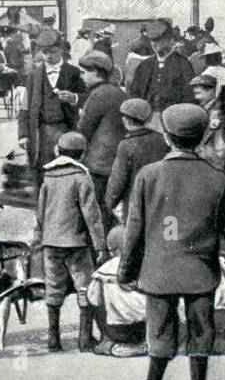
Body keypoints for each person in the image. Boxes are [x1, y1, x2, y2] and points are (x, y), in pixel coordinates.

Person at [119, 104, 225, 380]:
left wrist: (127, 272)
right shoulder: (217, 178)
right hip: (200, 272)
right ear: (202, 137)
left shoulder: (148, 176)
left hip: (159, 272)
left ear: (167, 136)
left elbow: (133, 231)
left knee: (159, 336)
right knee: (201, 335)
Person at [36, 131, 108, 353]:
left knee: (54, 288)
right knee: (84, 288)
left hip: (51, 243)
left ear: (58, 151)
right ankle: (85, 340)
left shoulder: (48, 177)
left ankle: (53, 340)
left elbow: (40, 213)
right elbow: (92, 216)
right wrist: (100, 246)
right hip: (76, 243)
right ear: (82, 155)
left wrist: (39, 238)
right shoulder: (82, 178)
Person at [18, 29, 87, 193]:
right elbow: (24, 106)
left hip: (65, 130)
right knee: (41, 173)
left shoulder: (73, 72)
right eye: (45, 52)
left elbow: (89, 97)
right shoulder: (34, 75)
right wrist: (23, 134)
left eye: (53, 52)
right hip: (40, 133)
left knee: (66, 171)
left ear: (61, 49)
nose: (48, 56)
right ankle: (41, 211)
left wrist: (75, 98)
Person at [76, 51, 127, 231]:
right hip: (116, 162)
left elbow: (83, 130)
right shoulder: (117, 92)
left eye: (84, 72)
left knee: (97, 212)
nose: (82, 77)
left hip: (99, 165)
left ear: (96, 72)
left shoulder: (98, 95)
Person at [86, 228, 149, 358]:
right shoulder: (140, 265)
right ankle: (144, 344)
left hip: (115, 330)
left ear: (112, 249)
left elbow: (92, 299)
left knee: (95, 295)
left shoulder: (103, 270)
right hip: (140, 328)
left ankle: (107, 340)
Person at [104, 98, 168, 225]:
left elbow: (118, 180)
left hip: (135, 204)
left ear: (125, 120)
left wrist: (109, 203)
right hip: (161, 202)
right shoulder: (162, 140)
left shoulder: (127, 145)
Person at [127, 18, 195, 114]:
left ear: (169, 40)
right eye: (152, 40)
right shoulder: (145, 65)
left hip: (172, 119)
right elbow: (135, 94)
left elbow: (189, 98)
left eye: (158, 40)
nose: (154, 44)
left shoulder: (183, 66)